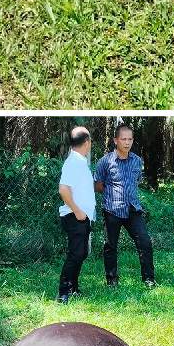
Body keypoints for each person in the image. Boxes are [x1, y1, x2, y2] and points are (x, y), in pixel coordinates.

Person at [94, 123, 155, 288]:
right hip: (112, 210)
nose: (127, 142)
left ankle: (149, 279)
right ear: (115, 140)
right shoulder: (105, 162)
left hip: (133, 209)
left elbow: (136, 182)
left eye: (130, 139)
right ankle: (112, 280)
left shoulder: (137, 161)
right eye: (123, 139)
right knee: (110, 246)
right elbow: (97, 185)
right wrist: (112, 193)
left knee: (145, 242)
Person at [56, 126, 95, 303]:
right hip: (75, 216)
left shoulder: (79, 161)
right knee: (76, 253)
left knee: (80, 252)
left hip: (82, 216)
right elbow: (63, 190)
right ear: (87, 142)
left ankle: (73, 288)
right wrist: (78, 211)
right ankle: (63, 292)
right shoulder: (73, 162)